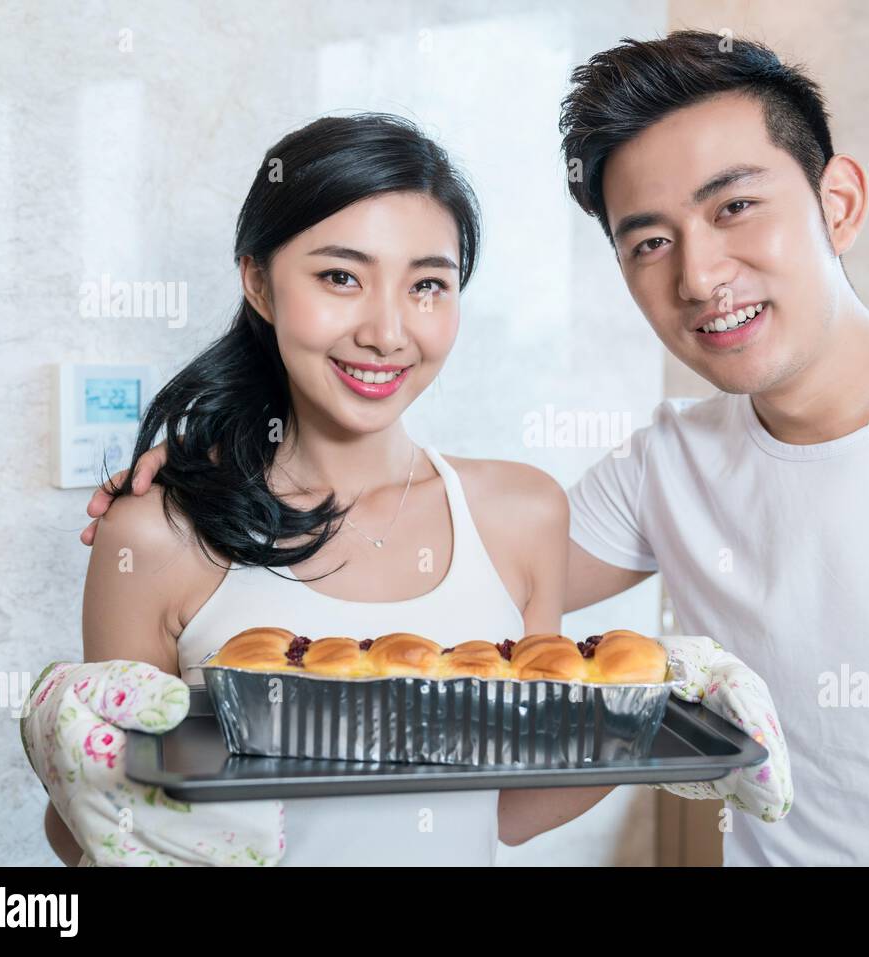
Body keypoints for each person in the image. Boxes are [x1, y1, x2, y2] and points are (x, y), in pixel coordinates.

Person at [89, 33, 869, 867]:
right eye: (648, 241)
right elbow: (414, 571)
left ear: (839, 200)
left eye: (736, 209)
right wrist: (195, 491)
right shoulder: (662, 466)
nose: (697, 275)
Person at [44, 112, 614, 866]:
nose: (386, 330)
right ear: (260, 283)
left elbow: (510, 805)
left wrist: (661, 717)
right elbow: (102, 824)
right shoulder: (155, 534)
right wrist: (65, 755)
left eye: (428, 285)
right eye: (340, 276)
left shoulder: (522, 514)